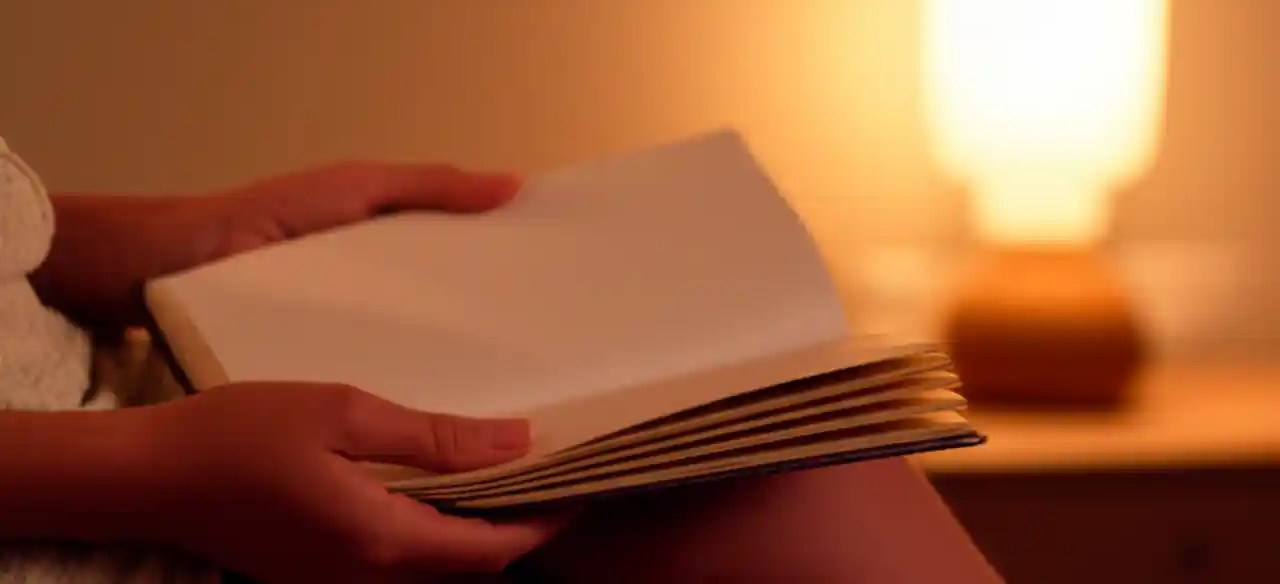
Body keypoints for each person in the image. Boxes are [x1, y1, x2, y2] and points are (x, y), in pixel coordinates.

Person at [0, 134, 1002, 583]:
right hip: (73, 502)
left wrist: (130, 244)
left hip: (112, 408)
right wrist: (147, 476)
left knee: (812, 484)